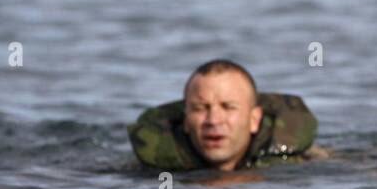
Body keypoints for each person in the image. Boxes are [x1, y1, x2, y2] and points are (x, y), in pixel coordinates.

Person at [127, 59, 320, 171]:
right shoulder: (153, 173)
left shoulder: (301, 165)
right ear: (186, 120)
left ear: (254, 119)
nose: (214, 121)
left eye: (228, 107)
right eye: (201, 108)